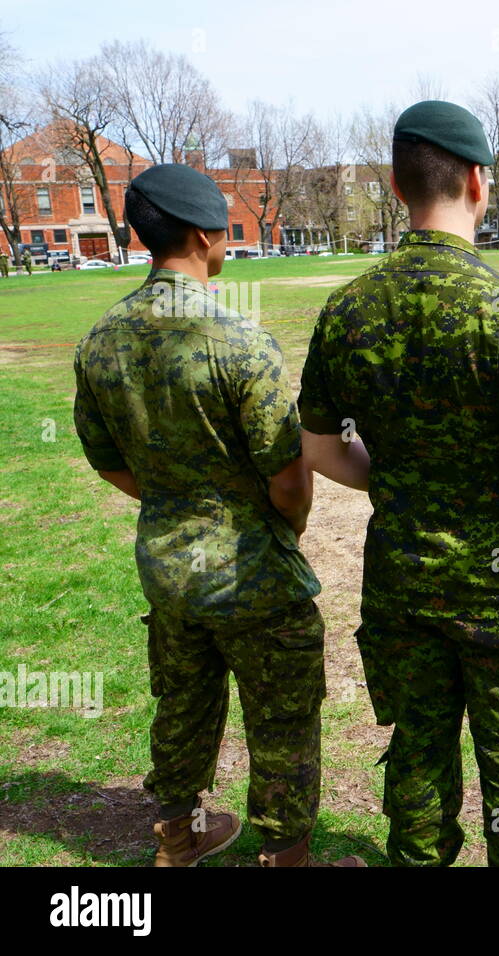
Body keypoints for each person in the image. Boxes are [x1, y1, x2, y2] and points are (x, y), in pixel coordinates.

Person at [298, 100, 499, 867]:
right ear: (478, 182)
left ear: (398, 190)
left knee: (419, 765)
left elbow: (319, 446)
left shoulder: (348, 311)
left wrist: (394, 483)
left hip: (404, 582)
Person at [72, 163, 362, 868]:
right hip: (252, 570)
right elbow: (290, 479)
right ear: (206, 236)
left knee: (182, 703)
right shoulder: (239, 342)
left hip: (169, 569)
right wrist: (277, 528)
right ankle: (285, 859)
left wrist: (175, 496)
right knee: (284, 719)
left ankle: (179, 836)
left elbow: (104, 458)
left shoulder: (101, 341)